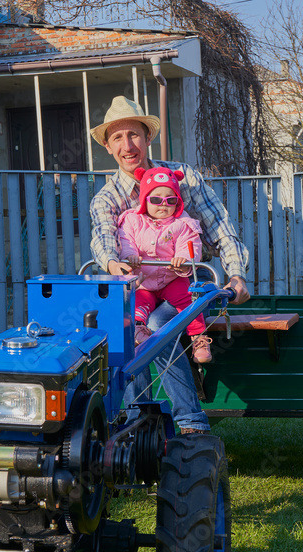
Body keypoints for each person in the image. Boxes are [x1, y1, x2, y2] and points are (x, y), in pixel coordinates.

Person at [89, 96, 251, 434]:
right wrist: (112, 262)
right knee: (130, 330)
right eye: (117, 138)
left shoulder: (184, 179)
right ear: (107, 146)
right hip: (140, 290)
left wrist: (236, 276)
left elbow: (219, 226)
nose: (127, 145)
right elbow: (103, 237)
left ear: (148, 138)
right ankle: (137, 422)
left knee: (158, 328)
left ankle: (191, 423)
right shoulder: (108, 197)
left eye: (133, 135)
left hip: (181, 288)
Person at [118, 165, 212, 363]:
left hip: (171, 278)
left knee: (187, 300)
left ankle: (198, 338)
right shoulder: (134, 221)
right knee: (138, 303)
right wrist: (131, 255)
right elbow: (126, 241)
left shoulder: (182, 224)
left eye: (170, 200)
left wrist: (183, 259)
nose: (163, 205)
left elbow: (190, 245)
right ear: (145, 200)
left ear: (177, 203)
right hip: (145, 281)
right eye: (156, 199)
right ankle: (138, 331)